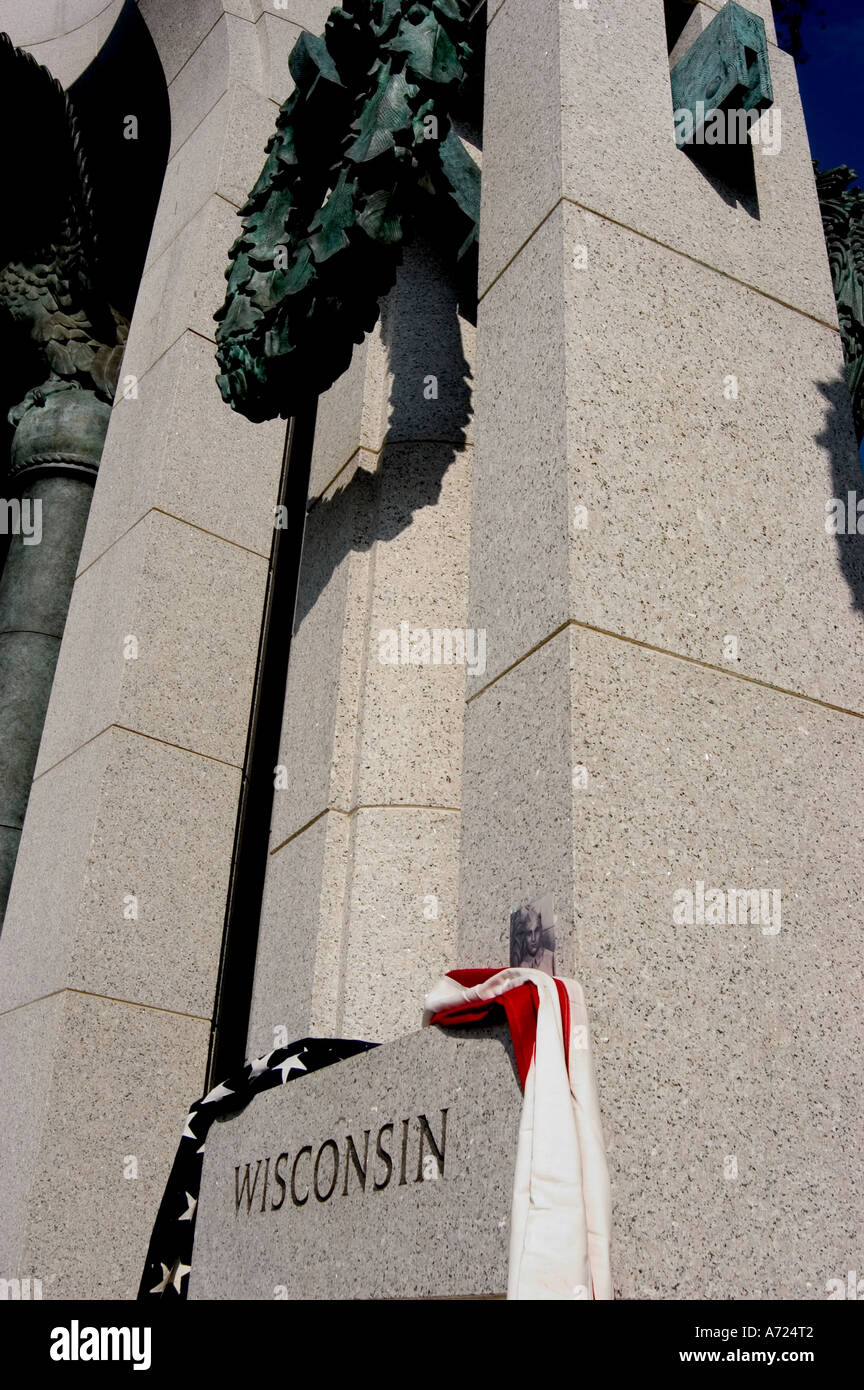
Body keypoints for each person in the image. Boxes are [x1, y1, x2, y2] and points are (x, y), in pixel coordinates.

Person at [511, 904, 555, 975]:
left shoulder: (551, 958)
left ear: (541, 931)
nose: (533, 939)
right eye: (529, 933)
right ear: (525, 936)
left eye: (536, 931)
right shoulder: (522, 966)